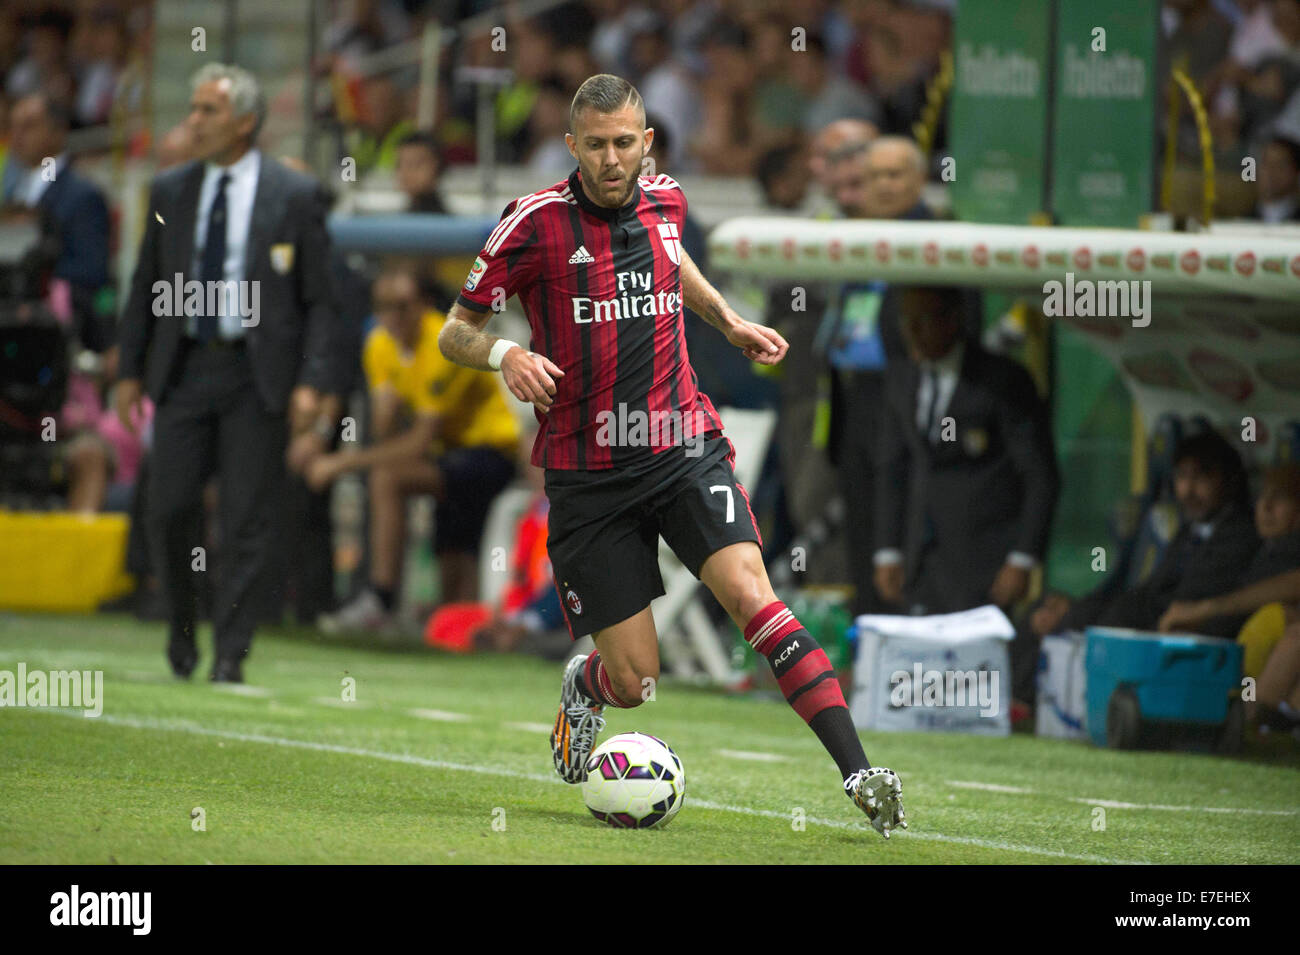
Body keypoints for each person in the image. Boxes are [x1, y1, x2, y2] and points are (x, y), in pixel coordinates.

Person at [438, 74, 905, 838]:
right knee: (636, 678)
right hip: (588, 475)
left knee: (753, 595)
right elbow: (452, 330)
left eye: (625, 142)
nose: (612, 158)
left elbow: (671, 259)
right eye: (596, 145)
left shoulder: (667, 199)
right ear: (572, 147)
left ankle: (859, 771)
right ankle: (587, 684)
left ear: (647, 142)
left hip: (680, 444)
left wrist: (728, 321)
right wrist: (502, 355)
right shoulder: (531, 225)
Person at [115, 64, 344, 683]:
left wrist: (312, 381)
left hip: (255, 372)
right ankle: (183, 624)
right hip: (184, 366)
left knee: (248, 517)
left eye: (207, 111)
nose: (193, 121)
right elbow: (147, 283)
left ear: (245, 122)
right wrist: (129, 367)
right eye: (192, 109)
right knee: (170, 507)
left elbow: (322, 298)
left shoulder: (292, 195)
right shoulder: (169, 190)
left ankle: (231, 653)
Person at [309, 266, 519, 631]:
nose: (391, 317)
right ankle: (448, 621)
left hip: (491, 451)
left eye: (401, 306)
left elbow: (418, 442)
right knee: (452, 551)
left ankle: (382, 595)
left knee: (389, 478)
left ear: (422, 305)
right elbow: (385, 432)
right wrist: (383, 410)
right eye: (382, 306)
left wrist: (339, 464)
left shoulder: (444, 341)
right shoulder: (379, 344)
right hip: (448, 454)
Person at [874, 286, 1059, 615]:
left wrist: (1022, 558)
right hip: (919, 563)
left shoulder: (1002, 381)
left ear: (953, 319)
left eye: (924, 320)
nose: (912, 332)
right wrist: (889, 551)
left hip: (985, 567)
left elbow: (1040, 475)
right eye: (907, 320)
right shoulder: (901, 380)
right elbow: (892, 469)